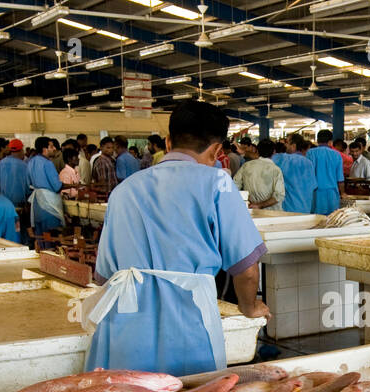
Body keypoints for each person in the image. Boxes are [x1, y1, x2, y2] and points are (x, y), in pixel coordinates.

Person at [85, 100, 269, 376]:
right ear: (218, 150)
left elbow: (104, 277)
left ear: (168, 142)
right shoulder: (217, 183)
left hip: (124, 328)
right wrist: (249, 306)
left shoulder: (124, 190)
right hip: (186, 327)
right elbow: (247, 271)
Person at [234, 139, 286, 209]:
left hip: (252, 211)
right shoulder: (276, 170)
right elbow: (279, 195)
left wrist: (248, 200)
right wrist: (259, 205)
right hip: (272, 214)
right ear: (274, 152)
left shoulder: (246, 166)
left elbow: (234, 186)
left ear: (257, 151)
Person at [27, 136, 64, 234]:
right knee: (52, 237)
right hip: (48, 204)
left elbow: (28, 183)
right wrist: (73, 185)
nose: (55, 149)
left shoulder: (31, 162)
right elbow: (57, 186)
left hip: (36, 205)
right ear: (45, 149)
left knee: (41, 238)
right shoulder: (48, 163)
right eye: (51, 147)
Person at [0, 138, 31, 220]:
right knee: (18, 227)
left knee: (6, 227)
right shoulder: (25, 166)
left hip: (3, 203)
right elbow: (28, 189)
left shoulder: (0, 164)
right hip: (19, 205)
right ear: (21, 150)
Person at [309, 129, 344, 215]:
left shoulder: (310, 153)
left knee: (315, 221)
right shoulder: (336, 154)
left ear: (317, 140)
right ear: (330, 141)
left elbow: (307, 175)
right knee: (332, 221)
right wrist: (343, 193)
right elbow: (340, 179)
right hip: (332, 194)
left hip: (315, 194)